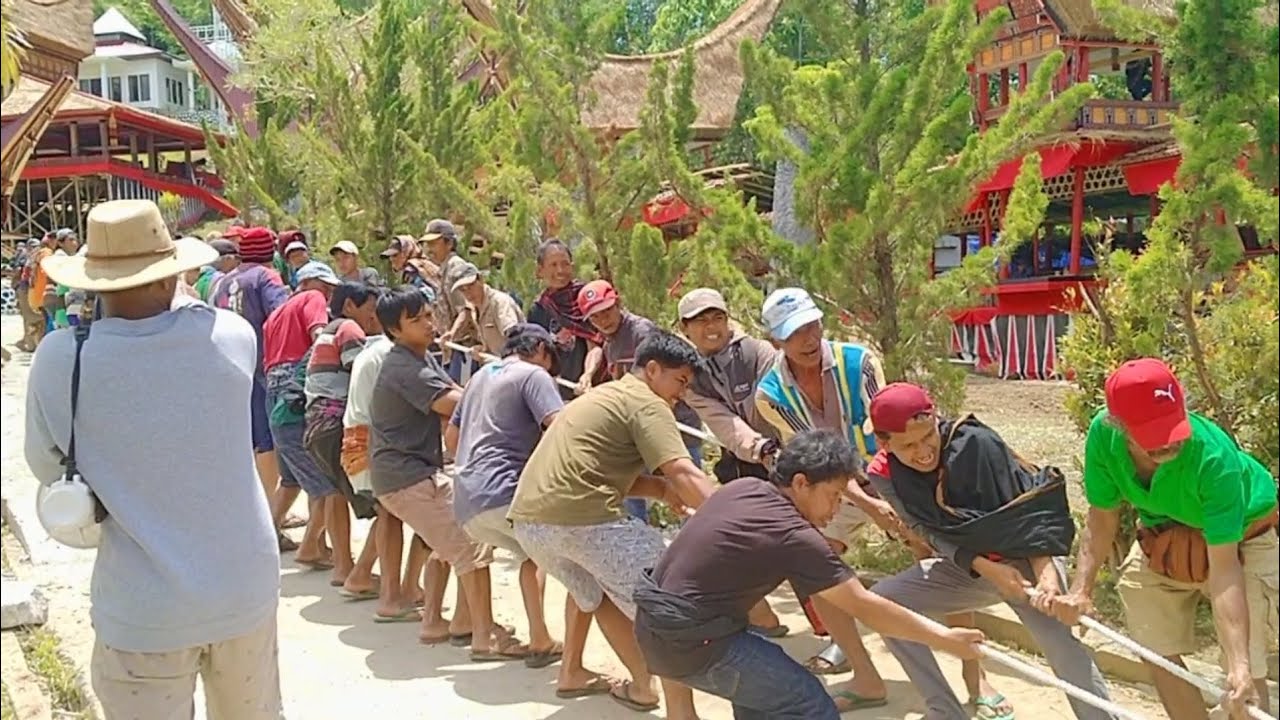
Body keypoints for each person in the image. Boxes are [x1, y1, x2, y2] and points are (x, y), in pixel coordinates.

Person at [25, 199, 280, 719]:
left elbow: (47, 467)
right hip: (242, 586)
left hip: (141, 607)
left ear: (93, 282)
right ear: (172, 274)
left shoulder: (60, 358)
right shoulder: (231, 336)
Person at [635, 429, 987, 720]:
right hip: (694, 642)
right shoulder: (794, 536)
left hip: (654, 626)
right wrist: (945, 639)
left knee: (763, 701)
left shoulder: (744, 489)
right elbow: (864, 605)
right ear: (801, 483)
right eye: (834, 496)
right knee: (810, 706)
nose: (836, 509)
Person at [866, 383, 1114, 720]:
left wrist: (1047, 577)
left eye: (928, 437)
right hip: (971, 563)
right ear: (884, 443)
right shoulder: (883, 474)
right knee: (882, 603)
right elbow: (925, 530)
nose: (923, 451)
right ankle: (944, 709)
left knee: (1059, 646)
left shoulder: (975, 443)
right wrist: (985, 568)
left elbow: (1029, 508)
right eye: (908, 446)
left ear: (936, 417)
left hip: (1028, 553)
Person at [1052, 359, 1279, 720]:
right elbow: (1102, 516)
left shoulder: (1214, 458)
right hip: (1163, 532)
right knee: (1154, 645)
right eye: (1150, 431)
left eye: (1171, 424)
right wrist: (1081, 589)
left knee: (1245, 677)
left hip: (1242, 536)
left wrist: (1238, 665)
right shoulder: (1103, 438)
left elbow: (1225, 568)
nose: (1168, 441)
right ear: (1118, 426)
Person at [509, 331, 716, 718]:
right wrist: (733, 517)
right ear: (652, 370)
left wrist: (660, 490)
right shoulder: (647, 403)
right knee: (665, 602)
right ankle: (682, 714)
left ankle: (640, 686)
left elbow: (592, 469)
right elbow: (682, 469)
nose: (682, 394)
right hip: (582, 521)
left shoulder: (602, 395)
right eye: (681, 381)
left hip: (531, 524)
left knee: (601, 594)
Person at [752, 286, 893, 697]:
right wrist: (870, 506)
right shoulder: (770, 395)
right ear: (776, 339)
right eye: (795, 333)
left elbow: (884, 437)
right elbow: (820, 463)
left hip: (886, 474)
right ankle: (850, 652)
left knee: (930, 548)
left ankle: (966, 662)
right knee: (817, 559)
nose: (809, 339)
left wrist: (890, 502)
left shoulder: (860, 361)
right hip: (834, 485)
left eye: (812, 326)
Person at [368, 286, 513, 658]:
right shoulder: (406, 367)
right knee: (468, 549)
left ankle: (453, 621)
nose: (429, 324)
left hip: (418, 472)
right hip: (406, 477)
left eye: (429, 315)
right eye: (416, 320)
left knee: (468, 534)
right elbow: (456, 403)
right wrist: (509, 382)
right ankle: (483, 636)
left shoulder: (420, 356)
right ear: (394, 331)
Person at [444, 322, 567, 668]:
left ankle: (535, 636)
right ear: (542, 350)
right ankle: (541, 639)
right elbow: (560, 429)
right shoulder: (533, 375)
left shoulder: (479, 378)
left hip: (467, 500)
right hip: (503, 488)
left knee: (531, 550)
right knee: (538, 552)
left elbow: (452, 439)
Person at [342, 317, 447, 626]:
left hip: (365, 439)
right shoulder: (398, 359)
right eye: (420, 318)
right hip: (372, 442)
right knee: (396, 509)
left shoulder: (397, 353)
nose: (431, 324)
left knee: (396, 509)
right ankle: (392, 595)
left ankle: (379, 580)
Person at [577, 280, 707, 523]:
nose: (604, 320)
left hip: (674, 424)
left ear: (618, 303)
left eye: (607, 310)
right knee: (630, 487)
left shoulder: (641, 332)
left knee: (687, 487)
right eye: (596, 317)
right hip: (641, 429)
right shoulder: (610, 342)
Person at [210, 225, 295, 550]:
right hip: (261, 367)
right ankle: (269, 519)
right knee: (267, 446)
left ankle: (251, 513)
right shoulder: (266, 277)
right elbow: (280, 316)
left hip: (226, 369)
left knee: (244, 444)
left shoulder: (221, 281)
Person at [262, 261, 345, 567]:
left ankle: (271, 530)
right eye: (327, 286)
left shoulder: (276, 313)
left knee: (292, 476)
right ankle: (313, 545)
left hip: (273, 389)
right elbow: (319, 335)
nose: (329, 294)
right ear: (312, 283)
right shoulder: (313, 299)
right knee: (322, 475)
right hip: (298, 387)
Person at [303, 282, 382, 596]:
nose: (373, 319)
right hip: (337, 422)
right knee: (388, 502)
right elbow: (361, 371)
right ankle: (361, 575)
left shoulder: (327, 332)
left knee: (336, 493)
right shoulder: (349, 329)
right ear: (350, 305)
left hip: (315, 423)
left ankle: (343, 567)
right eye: (370, 310)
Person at [677, 288, 782, 484]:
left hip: (787, 453)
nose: (711, 327)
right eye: (701, 321)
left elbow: (778, 405)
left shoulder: (758, 352)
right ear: (684, 328)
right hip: (748, 458)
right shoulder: (691, 377)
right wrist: (761, 449)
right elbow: (722, 421)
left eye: (717, 318)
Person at [526, 239, 604, 400]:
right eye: (553, 265)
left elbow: (595, 345)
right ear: (539, 271)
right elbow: (537, 353)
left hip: (587, 391)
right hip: (554, 392)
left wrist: (587, 375)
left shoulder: (586, 299)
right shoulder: (538, 309)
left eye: (565, 264)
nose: (560, 270)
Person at [419, 218, 481, 383]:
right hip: (452, 348)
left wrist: (452, 334)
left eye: (434, 244)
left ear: (449, 243)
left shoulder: (456, 268)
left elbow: (466, 309)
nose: (429, 249)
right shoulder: (442, 270)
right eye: (428, 244)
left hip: (464, 347)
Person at [441, 263, 523, 360]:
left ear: (480, 279)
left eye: (470, 286)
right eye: (462, 290)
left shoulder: (499, 302)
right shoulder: (474, 308)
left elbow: (515, 337)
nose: (468, 293)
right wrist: (482, 350)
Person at [380, 234, 440, 299]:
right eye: (390, 256)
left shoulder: (412, 270)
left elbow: (424, 295)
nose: (391, 259)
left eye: (395, 255)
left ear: (406, 252)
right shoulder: (424, 264)